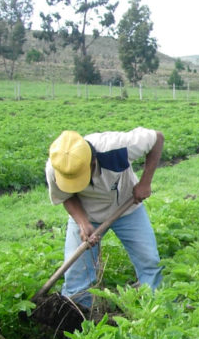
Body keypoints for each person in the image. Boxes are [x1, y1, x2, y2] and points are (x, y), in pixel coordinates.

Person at [45, 127, 165, 308]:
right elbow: (66, 197)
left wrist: (145, 182)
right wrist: (82, 223)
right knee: (77, 273)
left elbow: (157, 138)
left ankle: (155, 309)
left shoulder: (115, 147)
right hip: (87, 214)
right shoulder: (56, 168)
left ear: (92, 161)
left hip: (127, 207)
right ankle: (80, 315)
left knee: (149, 260)